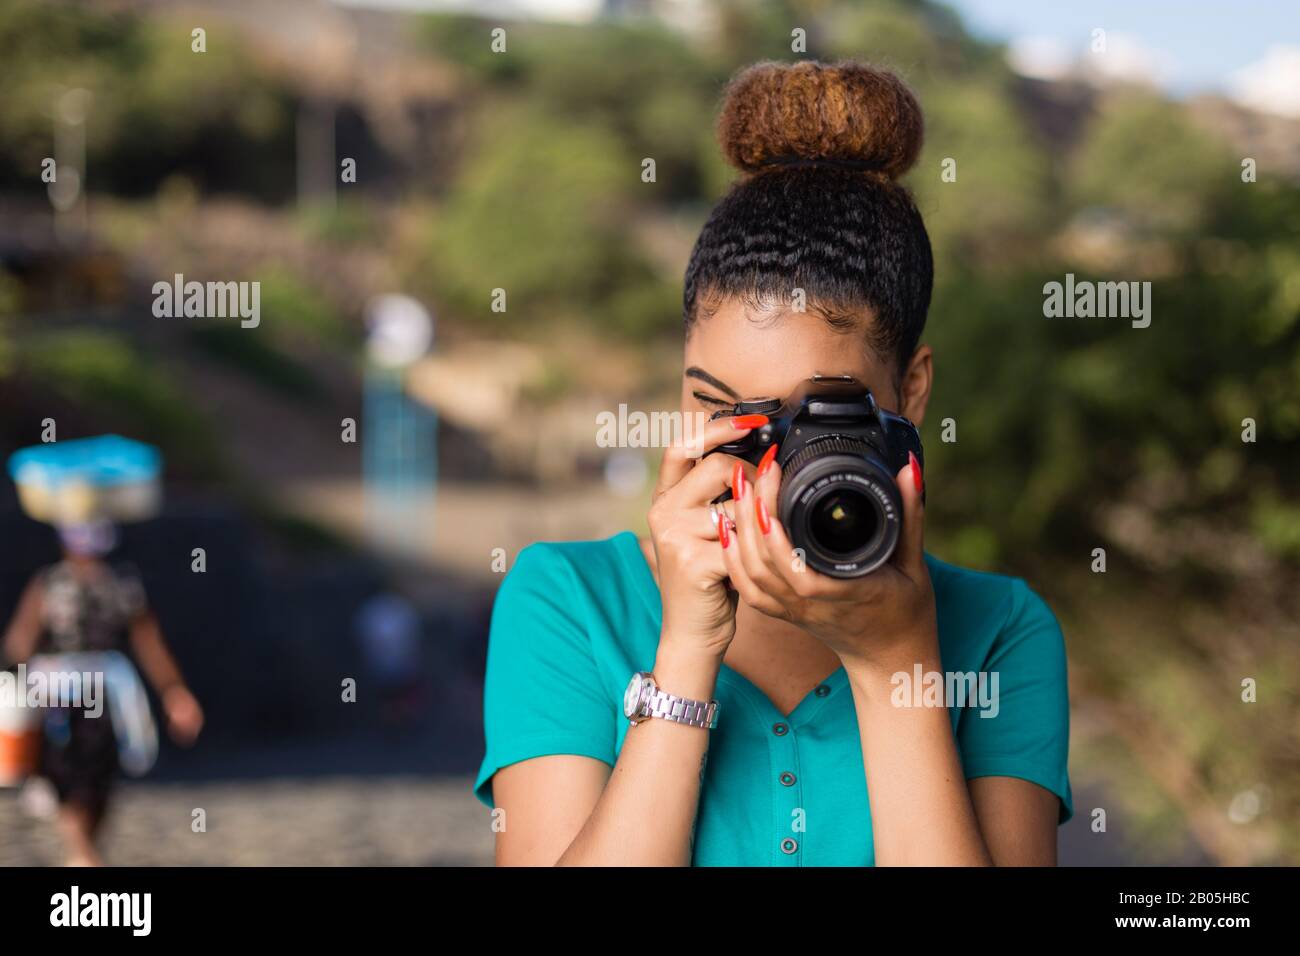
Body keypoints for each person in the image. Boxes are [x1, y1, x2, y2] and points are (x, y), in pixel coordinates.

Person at [472, 60, 1071, 865]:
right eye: (719, 407)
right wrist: (685, 651)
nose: (764, 459)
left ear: (913, 393)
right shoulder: (570, 603)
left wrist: (896, 663)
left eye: (812, 416)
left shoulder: (1001, 633)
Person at [1, 520, 203, 865]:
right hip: (61, 695)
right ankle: (82, 853)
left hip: (101, 696)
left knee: (97, 772)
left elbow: (149, 643)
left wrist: (175, 692)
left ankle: (83, 852)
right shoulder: (52, 585)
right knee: (66, 771)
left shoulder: (120, 587)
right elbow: (20, 641)